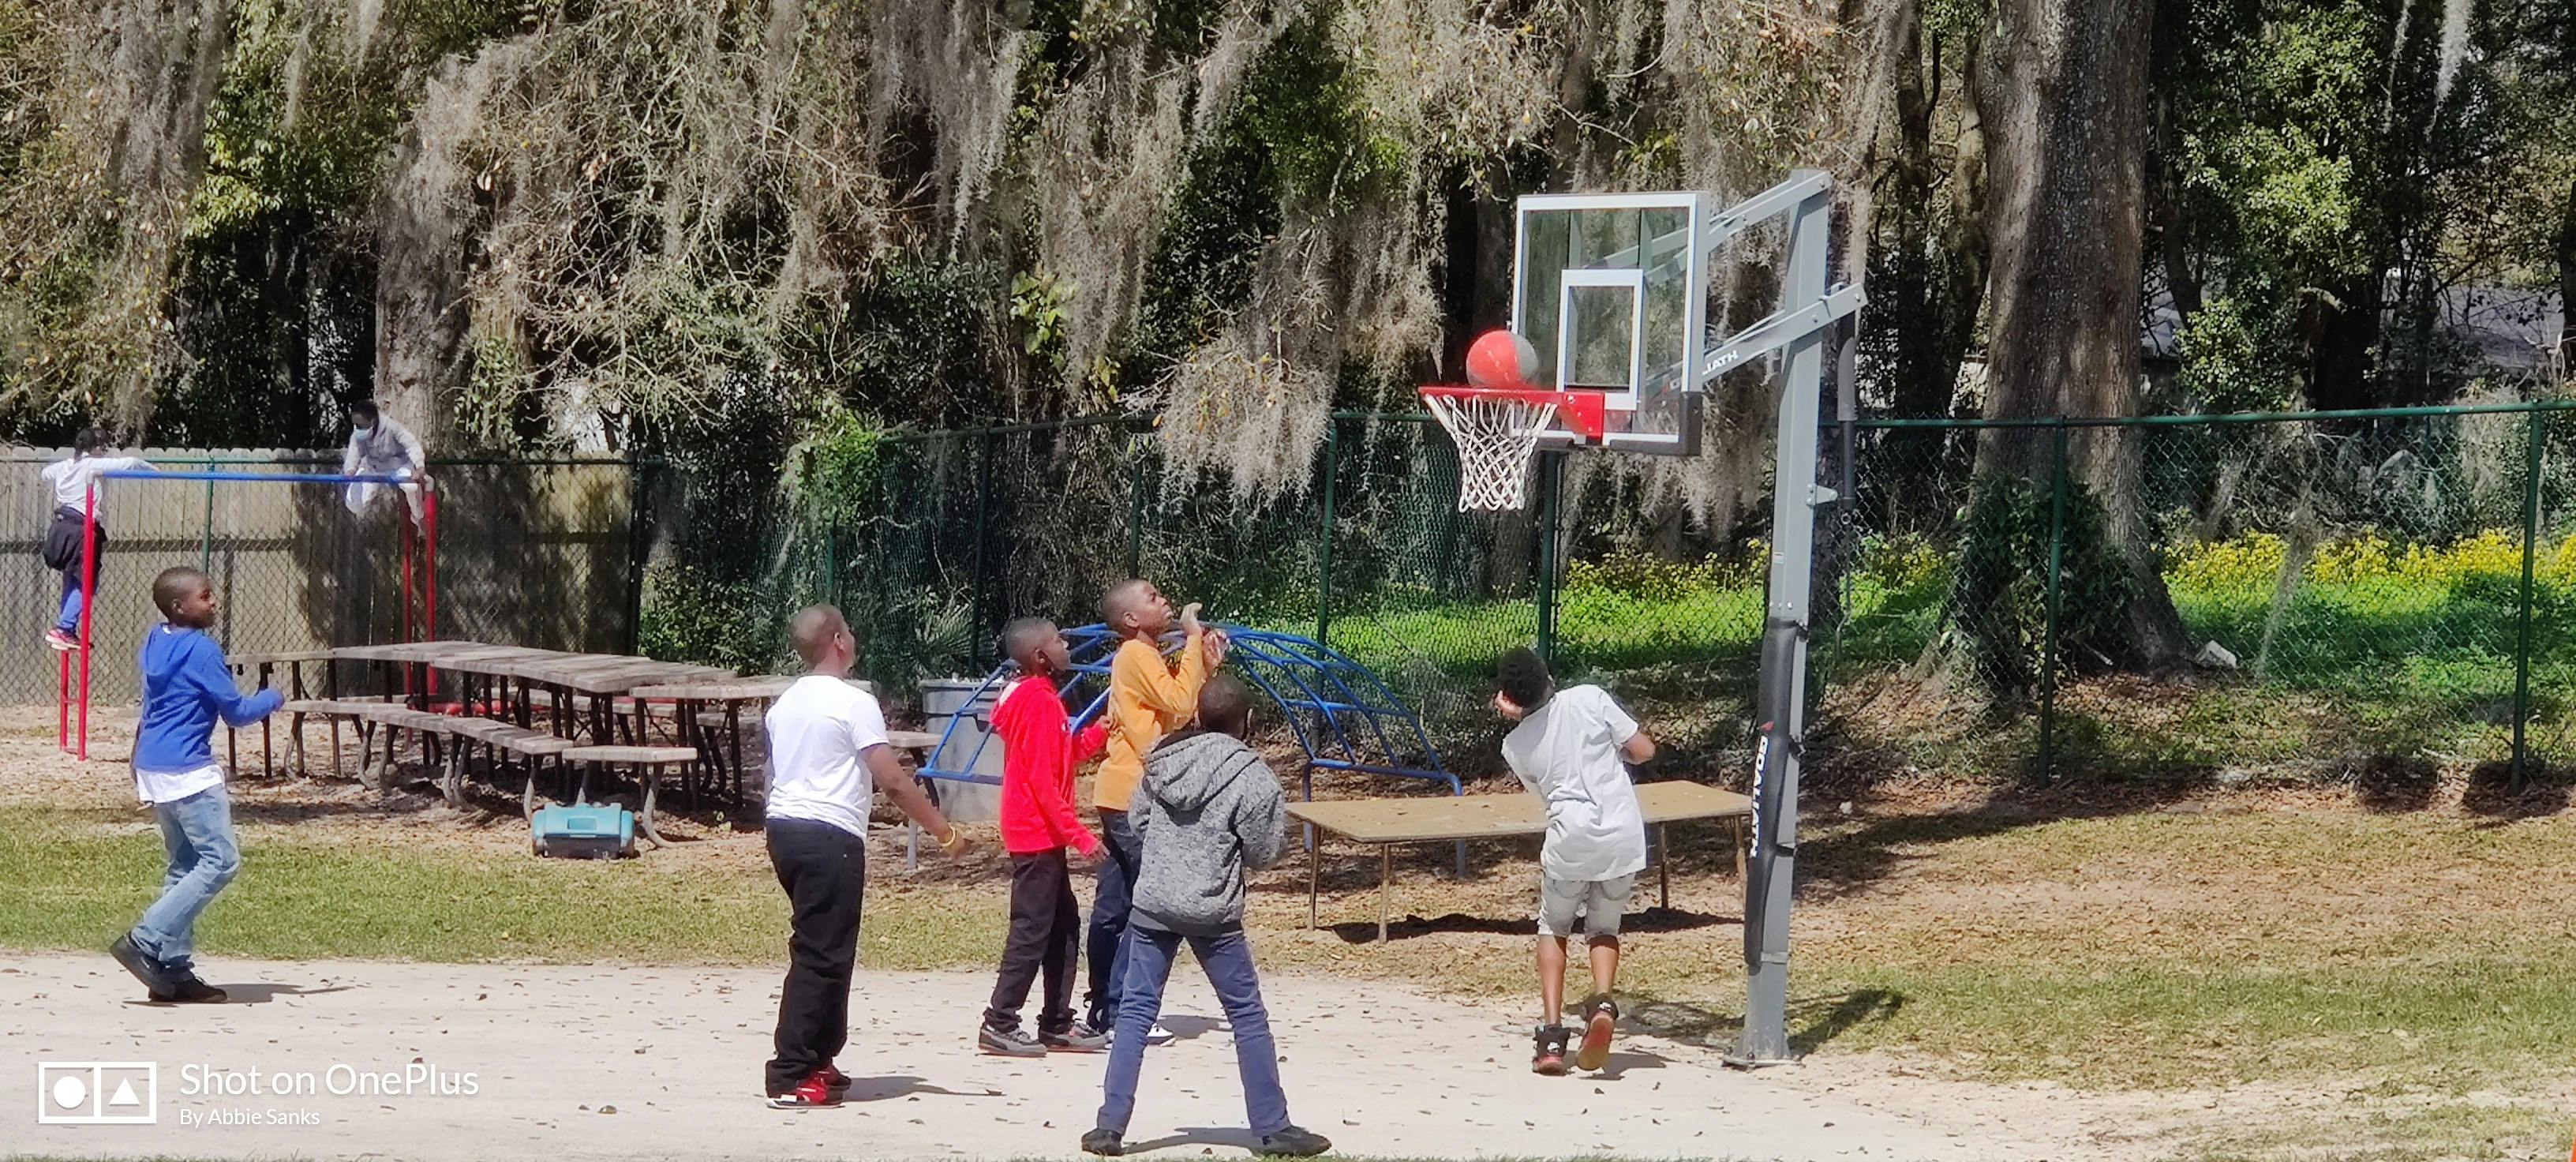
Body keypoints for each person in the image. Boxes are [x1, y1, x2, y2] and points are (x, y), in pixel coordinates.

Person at [1083, 675, 1328, 1159]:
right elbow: (1262, 852)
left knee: (1135, 1011)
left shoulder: (1162, 759)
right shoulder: (1252, 774)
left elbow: (1137, 824)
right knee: (1246, 1015)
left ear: (1197, 713)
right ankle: (1273, 1127)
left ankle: (1109, 1127)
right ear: (1248, 722)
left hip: (1154, 903)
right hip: (1213, 910)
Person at [762, 604, 968, 1109]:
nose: (853, 638)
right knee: (820, 953)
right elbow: (893, 779)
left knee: (830, 947)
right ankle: (789, 1074)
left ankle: (819, 1056)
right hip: (827, 835)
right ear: (837, 641)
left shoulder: (784, 703)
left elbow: (775, 771)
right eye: (848, 630)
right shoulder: (853, 702)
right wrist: (943, 830)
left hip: (785, 829)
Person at [106, 567, 283, 1004]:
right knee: (220, 862)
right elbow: (239, 713)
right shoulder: (200, 649)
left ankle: (172, 972)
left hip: (154, 765)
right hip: (188, 771)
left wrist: (136, 756)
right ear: (180, 606)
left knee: (184, 866)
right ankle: (145, 939)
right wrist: (274, 697)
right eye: (206, 597)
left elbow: (151, 704)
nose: (214, 603)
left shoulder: (155, 640)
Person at [1492, 646, 1657, 1075]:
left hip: (1570, 840)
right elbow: (1644, 750)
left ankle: (1550, 1037)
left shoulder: (1515, 745)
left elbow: (1542, 792)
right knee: (1604, 928)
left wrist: (1519, 719)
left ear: (1510, 697)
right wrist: (1616, 755)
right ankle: (1602, 1003)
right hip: (1622, 836)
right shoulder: (1589, 698)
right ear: (1548, 677)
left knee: (1554, 926)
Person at [1084, 579, 1226, 1036]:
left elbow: (1176, 710)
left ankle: (1105, 1007)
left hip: (1121, 794)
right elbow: (1181, 701)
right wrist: (1190, 638)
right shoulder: (1136, 655)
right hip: (1132, 798)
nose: (1164, 601)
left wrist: (1202, 663)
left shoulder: (1143, 658)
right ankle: (1121, 1009)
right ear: (1130, 620)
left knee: (1115, 905)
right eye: (1152, 598)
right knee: (1144, 907)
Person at [979, 617, 1111, 1056]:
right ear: (1040, 656)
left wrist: (1098, 736)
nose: (1065, 645)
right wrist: (1081, 837)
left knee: (1062, 927)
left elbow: (1058, 756)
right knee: (1032, 931)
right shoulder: (1037, 701)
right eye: (1057, 641)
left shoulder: (1037, 697)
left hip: (1039, 831)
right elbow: (1041, 781)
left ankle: (1056, 1023)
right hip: (1037, 833)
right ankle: (1000, 1021)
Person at [37, 428, 150, 651]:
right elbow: (129, 462)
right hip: (82, 528)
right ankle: (64, 629)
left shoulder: (65, 466)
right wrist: (153, 470)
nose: (105, 451)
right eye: (103, 447)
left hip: (61, 526)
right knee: (88, 581)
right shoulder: (92, 465)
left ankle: (65, 630)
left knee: (74, 578)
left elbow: (45, 474)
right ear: (96, 448)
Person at [339, 399, 428, 523]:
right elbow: (354, 452)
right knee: (353, 502)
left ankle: (418, 516)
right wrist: (350, 469)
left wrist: (419, 466)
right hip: (373, 467)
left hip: (399, 465)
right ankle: (365, 514)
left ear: (373, 421)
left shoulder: (392, 427)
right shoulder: (358, 433)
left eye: (362, 425)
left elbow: (411, 444)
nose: (358, 428)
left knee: (411, 487)